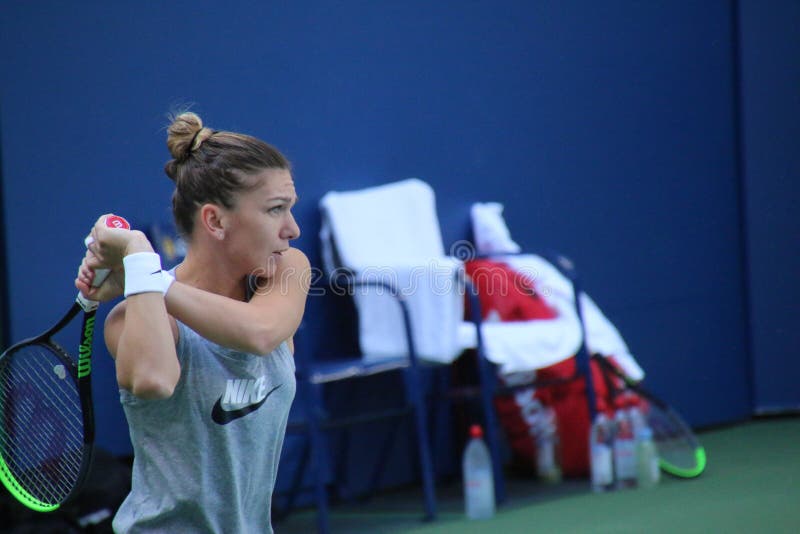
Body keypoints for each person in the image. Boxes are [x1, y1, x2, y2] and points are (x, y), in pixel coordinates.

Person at [75, 111, 310, 533]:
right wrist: (140, 256)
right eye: (276, 210)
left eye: (289, 208)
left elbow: (259, 334)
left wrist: (142, 273)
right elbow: (153, 380)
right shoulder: (135, 314)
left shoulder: (288, 270)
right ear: (215, 221)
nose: (292, 229)